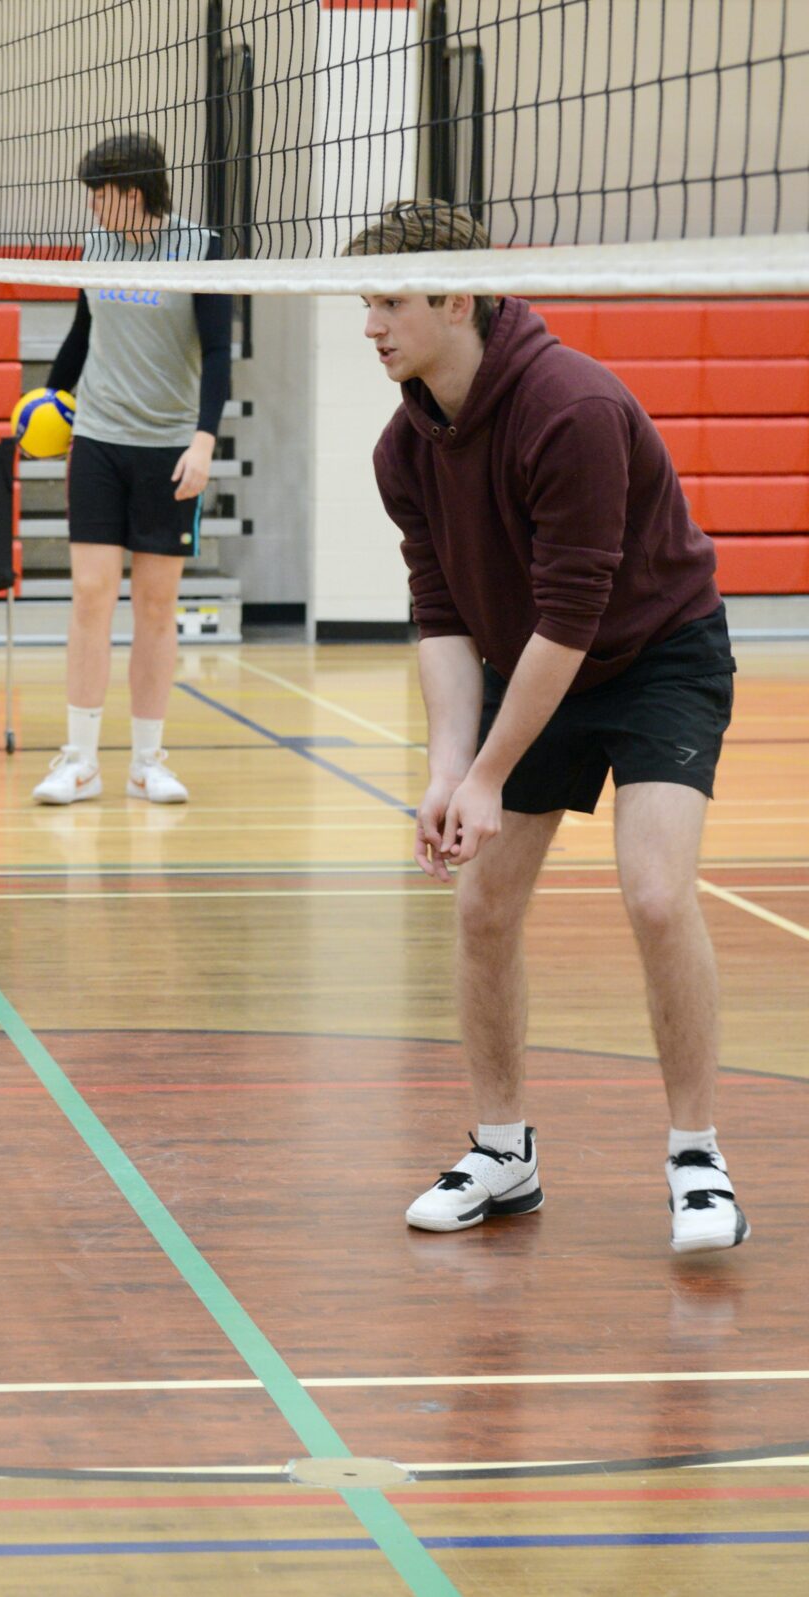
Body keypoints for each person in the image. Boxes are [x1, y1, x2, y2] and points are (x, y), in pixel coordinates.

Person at [349, 201, 746, 1254]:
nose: (370, 326)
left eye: (388, 302)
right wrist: (448, 770)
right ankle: (500, 1152)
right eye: (365, 303)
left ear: (454, 297)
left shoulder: (566, 407)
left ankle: (695, 1155)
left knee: (656, 895)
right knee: (482, 906)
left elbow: (569, 618)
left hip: (655, 654)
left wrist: (488, 774)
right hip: (529, 663)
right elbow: (439, 611)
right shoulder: (403, 447)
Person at [31, 131, 232, 807]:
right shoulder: (95, 247)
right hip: (97, 438)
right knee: (90, 594)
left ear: (132, 192)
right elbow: (83, 335)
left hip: (169, 446)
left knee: (155, 605)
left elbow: (219, 352)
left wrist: (204, 440)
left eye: (99, 193)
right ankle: (79, 759)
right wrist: (47, 399)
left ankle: (147, 762)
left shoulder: (201, 248)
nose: (91, 206)